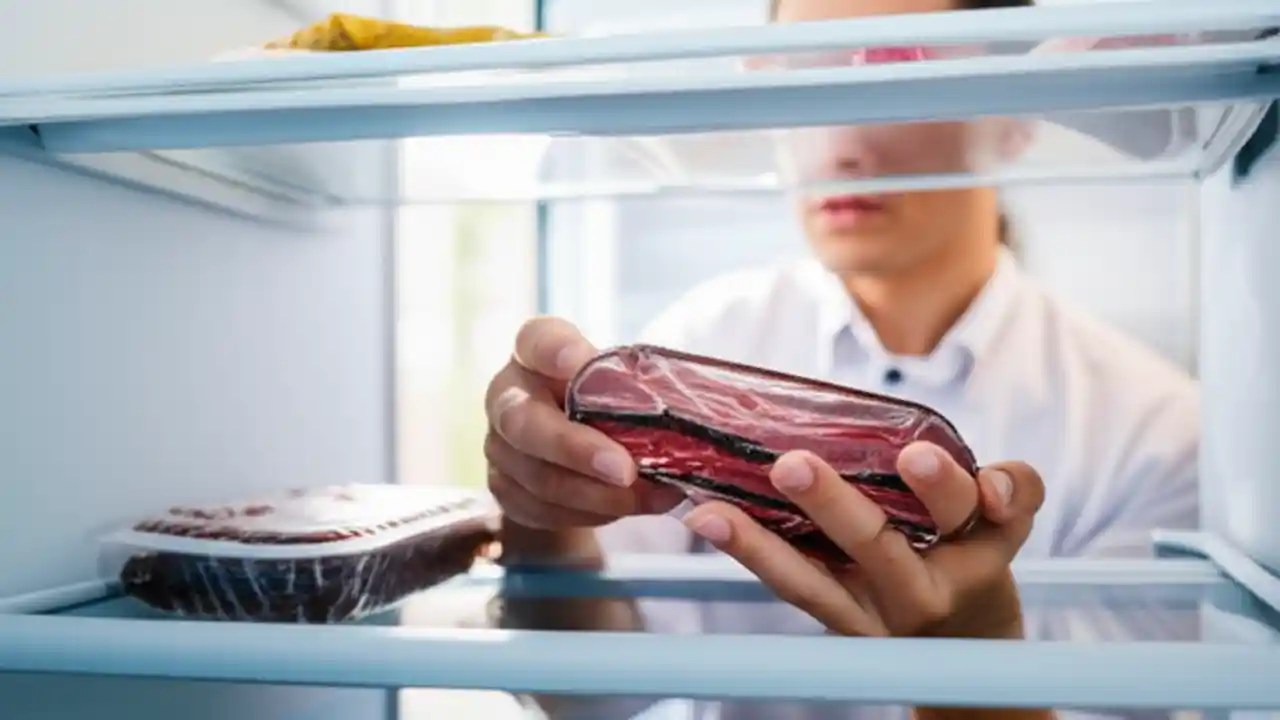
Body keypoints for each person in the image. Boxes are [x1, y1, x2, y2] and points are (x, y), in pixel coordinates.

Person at [483, 0, 1200, 718]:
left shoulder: (1155, 434)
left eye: (897, 68)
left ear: (1017, 112)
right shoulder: (698, 350)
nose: (842, 143)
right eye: (801, 74)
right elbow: (586, 695)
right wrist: (542, 519)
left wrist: (970, 671)